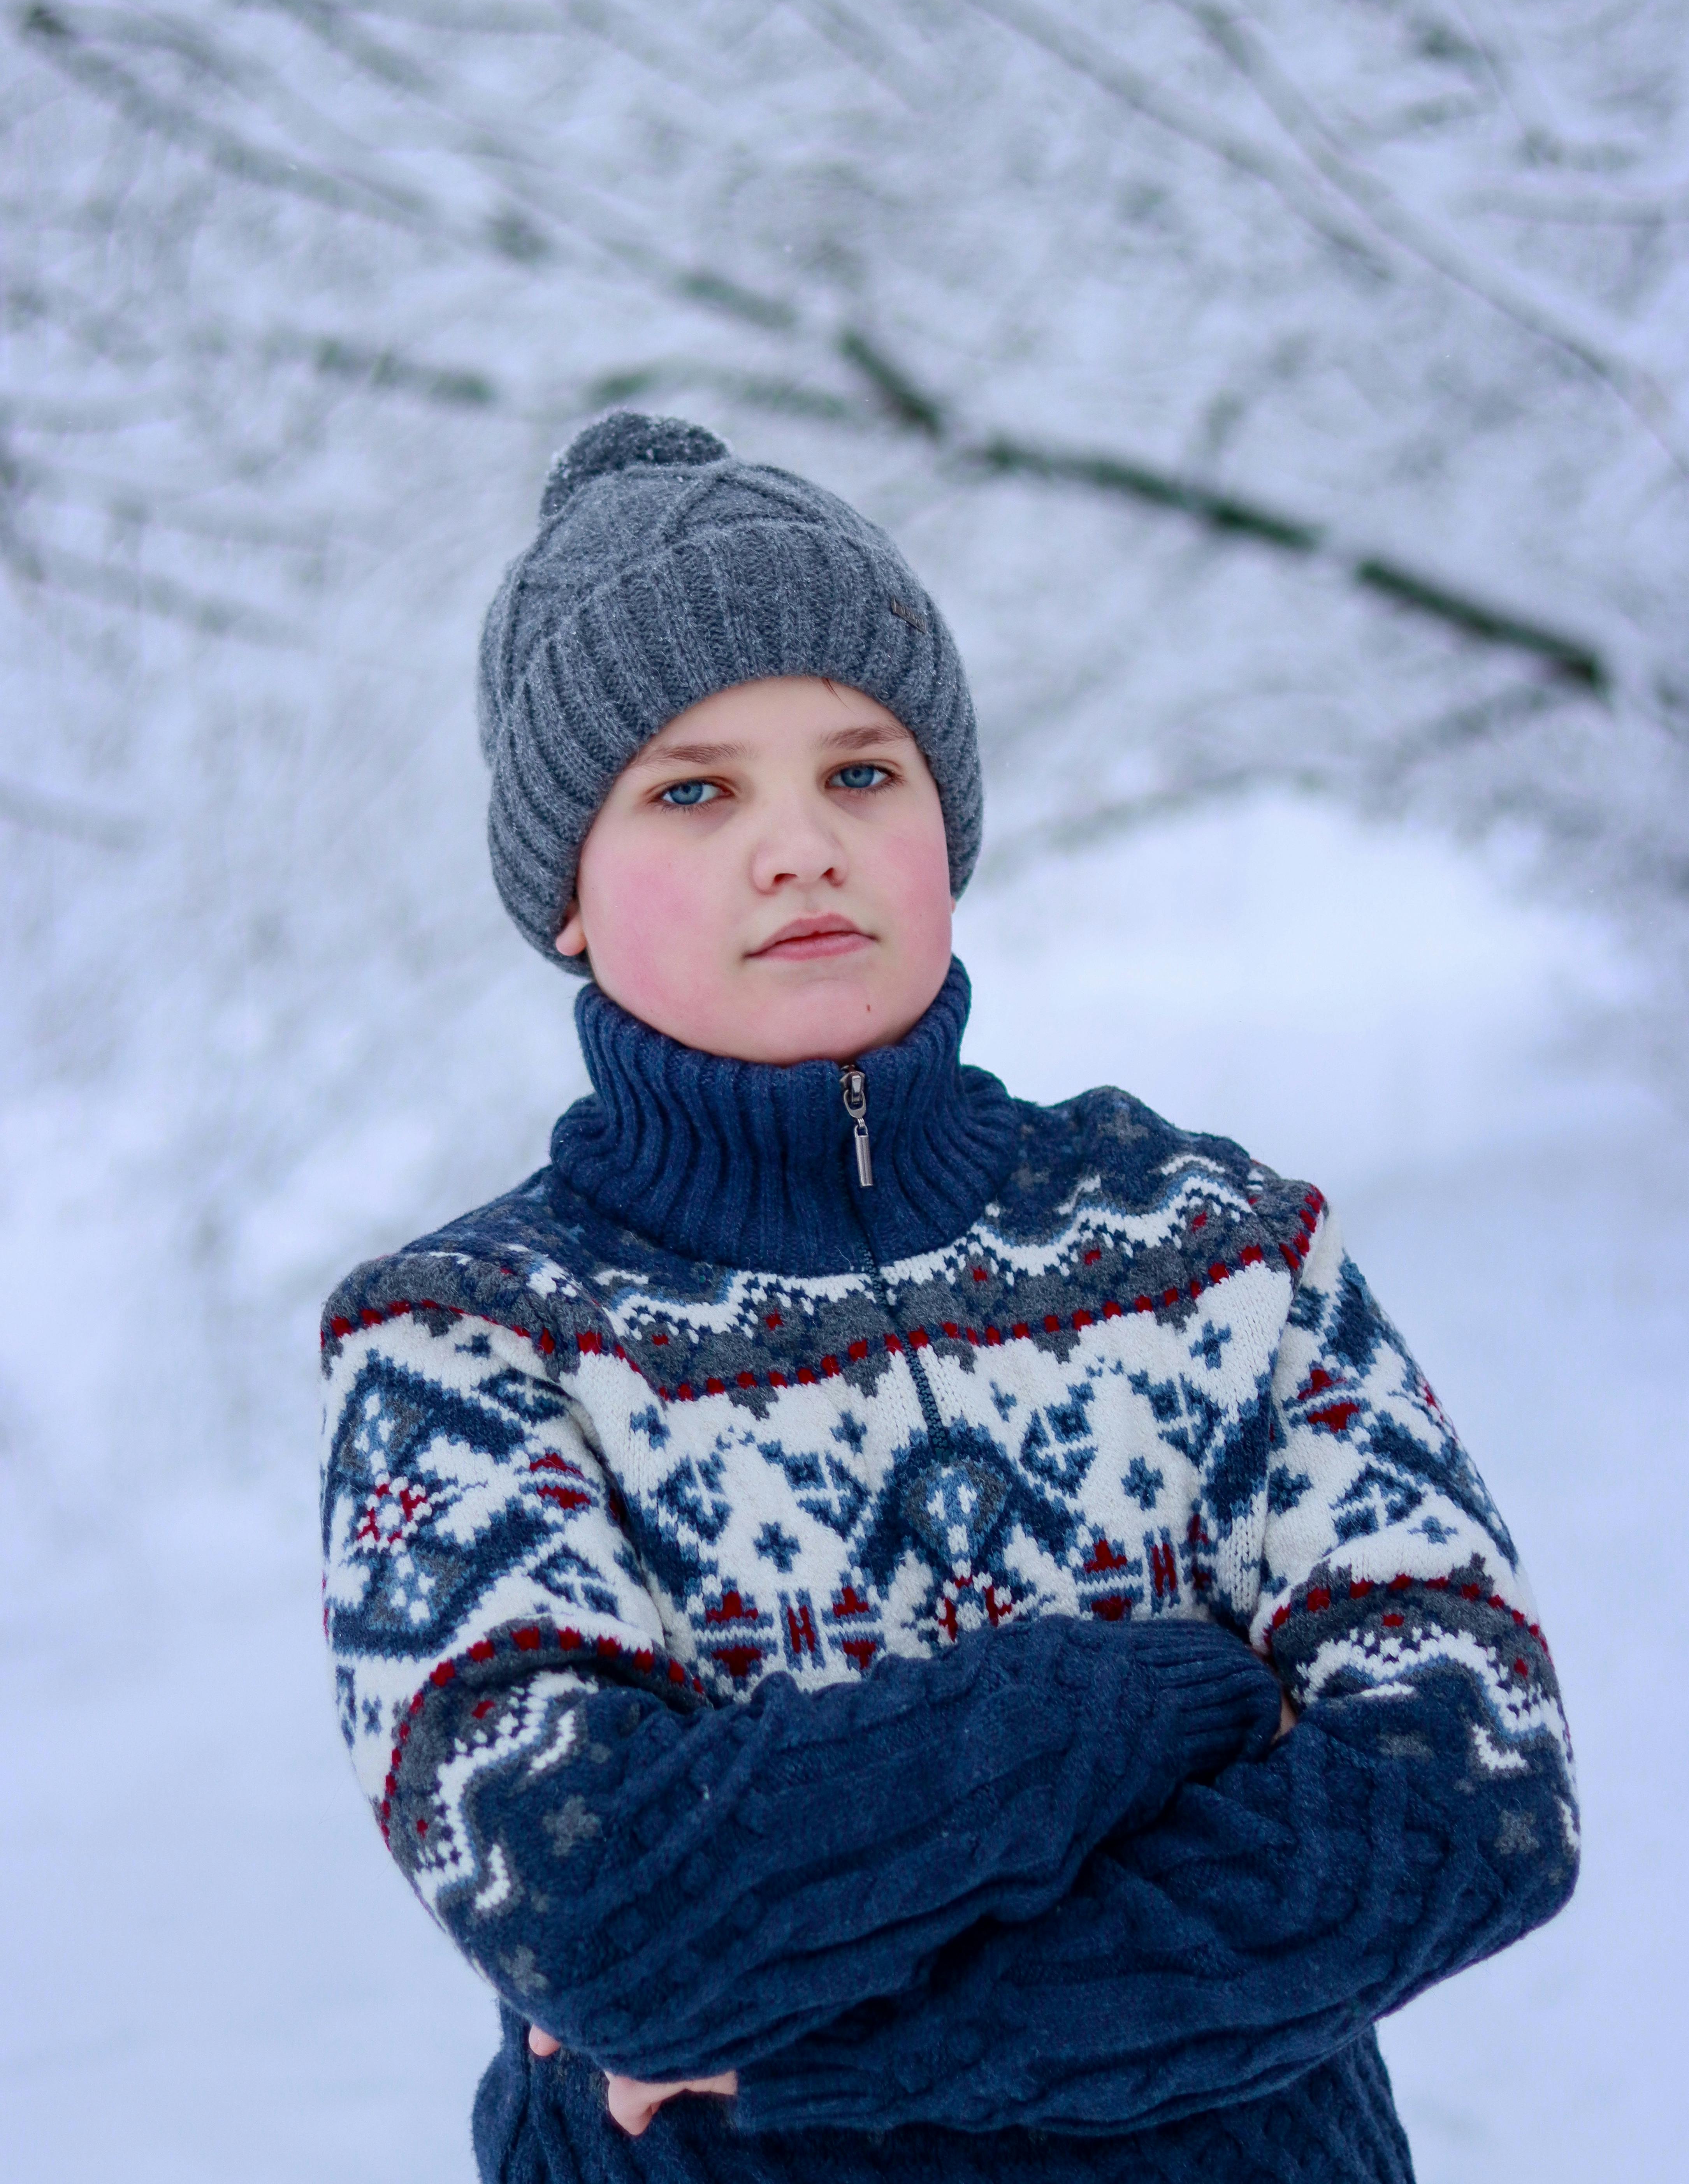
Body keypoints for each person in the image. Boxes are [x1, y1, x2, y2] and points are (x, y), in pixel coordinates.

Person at [318, 412, 1577, 2182]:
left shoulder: (1217, 1243)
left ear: (944, 824)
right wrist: (1165, 1695)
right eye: (691, 791)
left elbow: (1474, 1796)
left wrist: (828, 2053)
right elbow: (608, 1920)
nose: (798, 846)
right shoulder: (468, 1340)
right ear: (563, 898)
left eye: (861, 773)